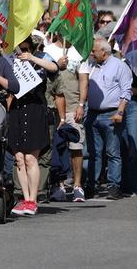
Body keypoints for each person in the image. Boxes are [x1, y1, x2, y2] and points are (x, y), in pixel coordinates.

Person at [7, 36, 58, 215]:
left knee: (31, 158)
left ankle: (33, 200)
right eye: (20, 48)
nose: (22, 51)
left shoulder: (42, 57)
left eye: (26, 48)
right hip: (17, 109)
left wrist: (32, 58)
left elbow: (54, 67)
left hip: (36, 108)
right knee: (19, 157)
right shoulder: (11, 59)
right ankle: (25, 197)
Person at [79, 36, 132, 201]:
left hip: (111, 114)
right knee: (93, 152)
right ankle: (91, 184)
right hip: (93, 113)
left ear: (104, 51)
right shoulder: (91, 65)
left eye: (94, 51)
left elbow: (126, 91)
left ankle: (113, 185)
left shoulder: (119, 66)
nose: (92, 54)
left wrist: (120, 112)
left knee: (113, 152)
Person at [45, 33, 86, 201]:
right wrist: (57, 65)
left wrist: (81, 104)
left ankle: (77, 186)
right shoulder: (47, 51)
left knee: (76, 146)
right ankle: (59, 185)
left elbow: (83, 80)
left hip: (73, 107)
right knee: (56, 148)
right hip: (52, 108)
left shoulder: (80, 52)